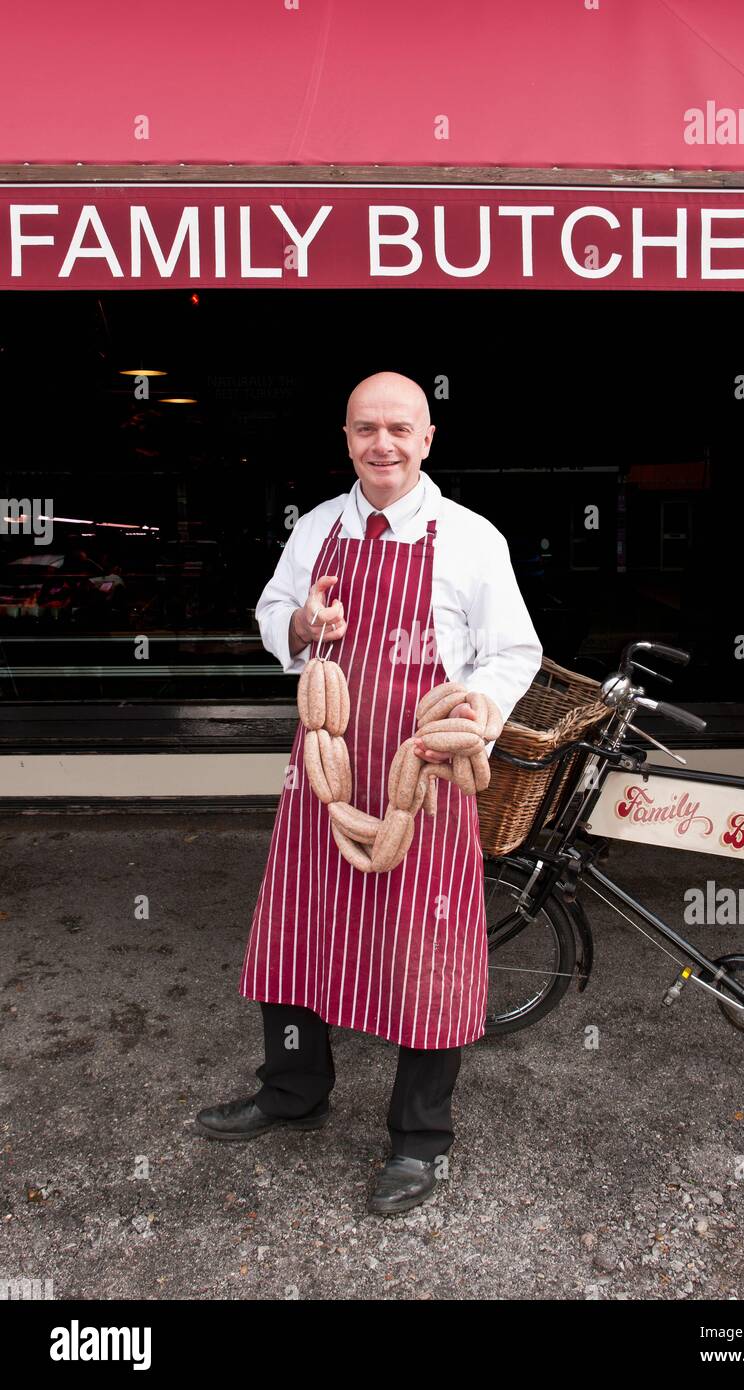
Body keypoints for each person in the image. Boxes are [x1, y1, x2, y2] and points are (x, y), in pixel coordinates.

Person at [196, 372, 543, 1214]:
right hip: (322, 768)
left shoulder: (468, 538)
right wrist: (302, 627)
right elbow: (271, 609)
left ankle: (419, 1140)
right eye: (364, 429)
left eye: (398, 428)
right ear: (346, 438)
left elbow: (513, 651)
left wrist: (476, 712)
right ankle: (292, 1093)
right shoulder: (317, 527)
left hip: (421, 775)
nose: (380, 444)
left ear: (427, 439)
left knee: (427, 952)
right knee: (293, 931)